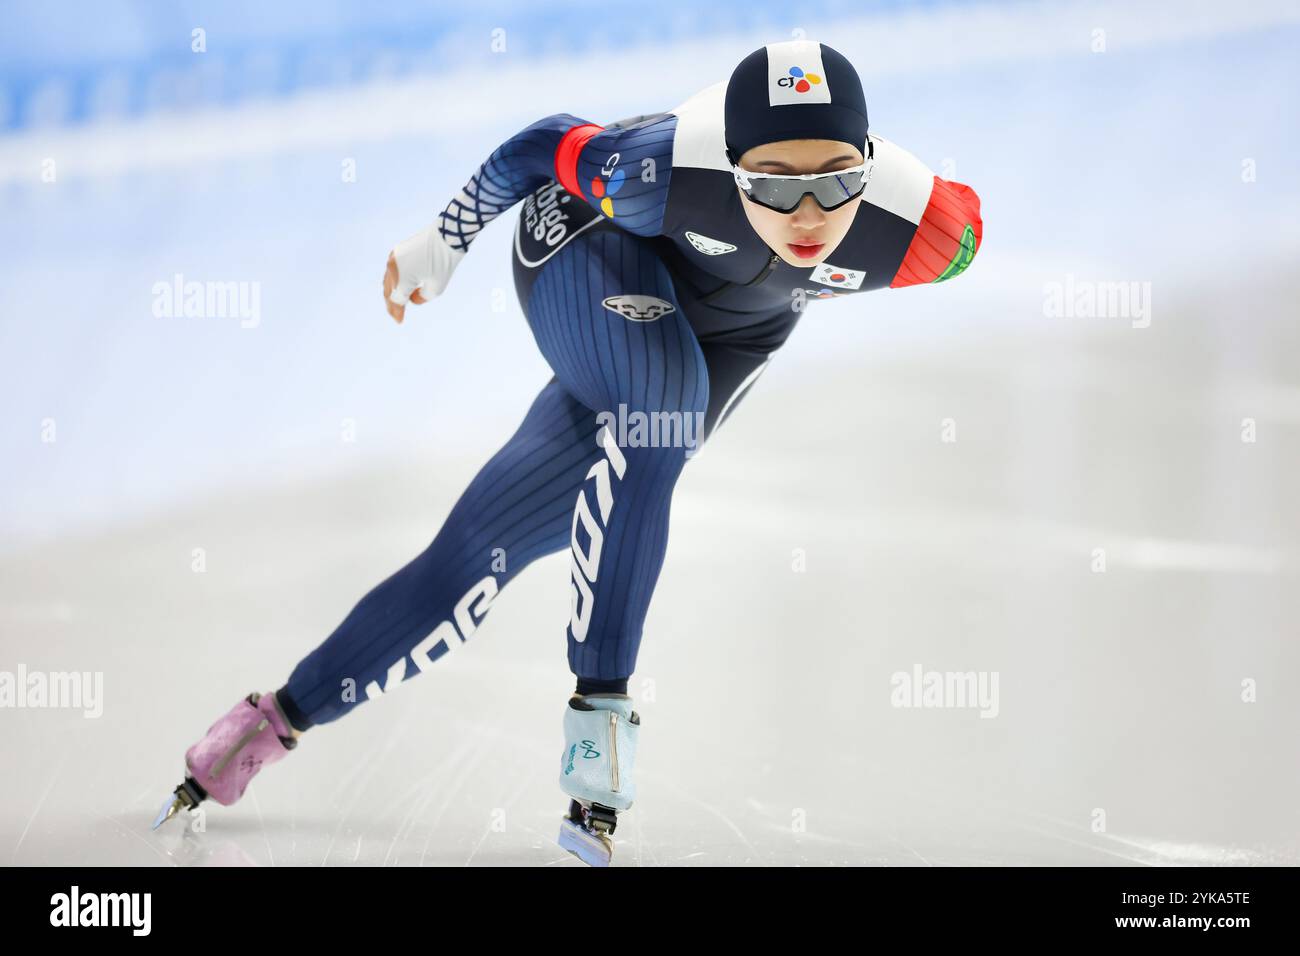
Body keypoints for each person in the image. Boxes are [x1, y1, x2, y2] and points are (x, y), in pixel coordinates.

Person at [155, 39, 983, 865]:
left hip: (724, 340)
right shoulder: (660, 172)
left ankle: (268, 723)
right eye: (773, 184)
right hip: (586, 250)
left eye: (837, 180)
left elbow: (945, 217)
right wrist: (445, 240)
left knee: (482, 549)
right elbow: (540, 143)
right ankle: (602, 729)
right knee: (660, 410)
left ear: (871, 164)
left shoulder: (928, 234)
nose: (808, 216)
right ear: (730, 166)